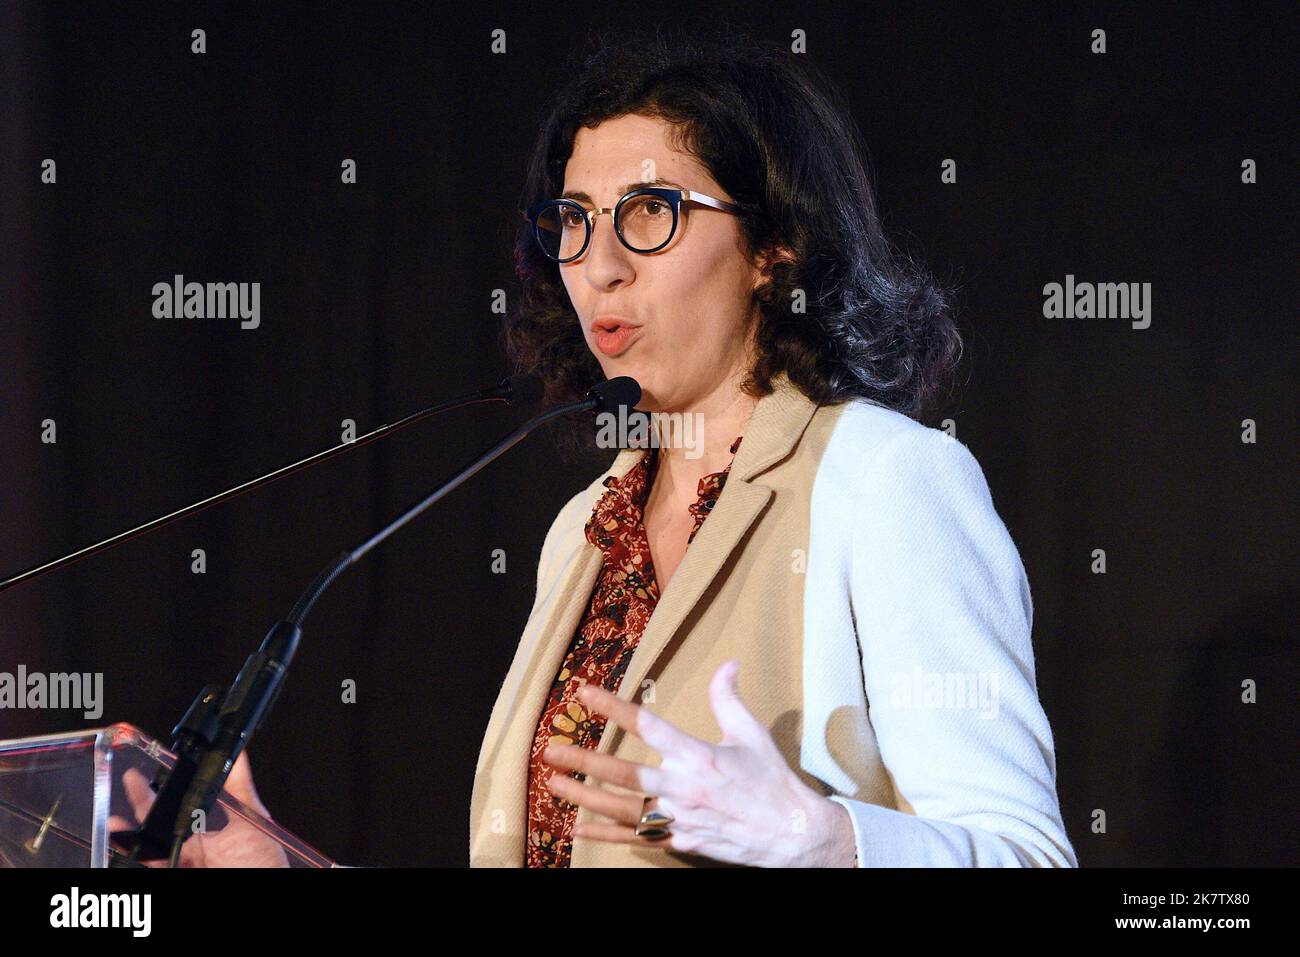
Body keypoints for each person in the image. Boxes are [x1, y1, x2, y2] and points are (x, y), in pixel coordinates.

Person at [470, 31, 1076, 868]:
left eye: (651, 211)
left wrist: (826, 841)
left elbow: (1028, 855)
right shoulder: (581, 532)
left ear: (771, 247)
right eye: (575, 220)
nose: (599, 265)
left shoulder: (885, 480)